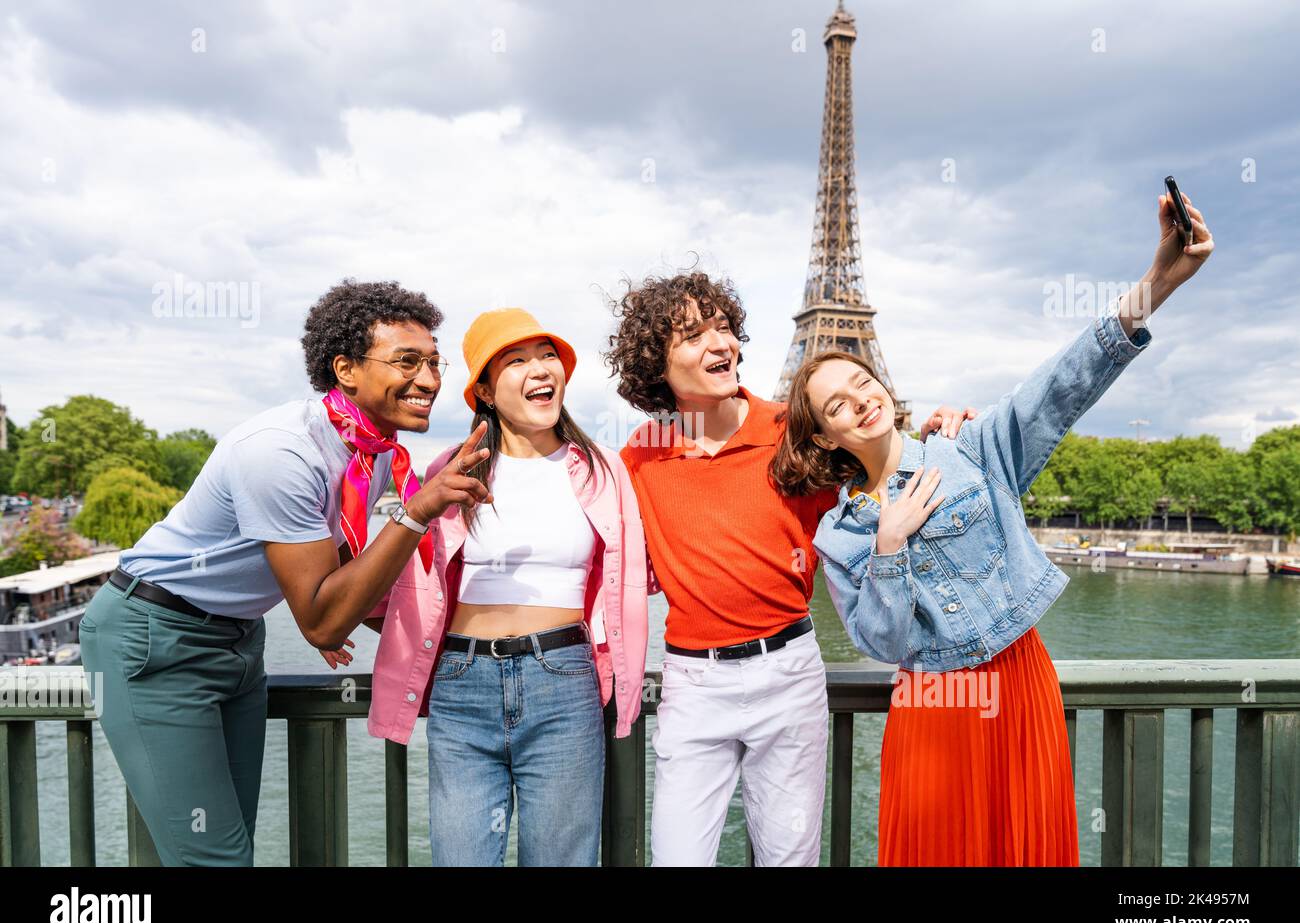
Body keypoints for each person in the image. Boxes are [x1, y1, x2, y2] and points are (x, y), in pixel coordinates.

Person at [771, 190, 1214, 865]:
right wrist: (889, 546)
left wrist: (1158, 282)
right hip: (934, 708)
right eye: (836, 403)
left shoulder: (973, 447)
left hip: (1019, 683)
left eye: (861, 382)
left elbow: (1064, 384)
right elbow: (886, 642)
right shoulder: (843, 534)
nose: (859, 400)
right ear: (825, 434)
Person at [78, 279, 491, 865]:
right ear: (345, 369)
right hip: (154, 641)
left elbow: (346, 576)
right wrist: (419, 510)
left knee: (230, 841)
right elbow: (323, 623)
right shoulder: (282, 451)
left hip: (238, 640)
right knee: (211, 858)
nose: (429, 380)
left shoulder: (367, 447)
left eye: (433, 362)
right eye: (407, 361)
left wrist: (460, 645)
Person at [604, 271, 973, 866]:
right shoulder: (639, 457)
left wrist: (932, 439)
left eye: (723, 327)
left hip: (789, 670)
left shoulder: (794, 433)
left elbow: (880, 472)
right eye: (693, 335)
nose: (719, 343)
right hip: (693, 684)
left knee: (789, 859)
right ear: (657, 368)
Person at [360, 307, 649, 866]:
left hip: (562, 680)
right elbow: (409, 578)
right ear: (486, 392)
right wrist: (333, 616)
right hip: (461, 680)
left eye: (548, 357)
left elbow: (635, 575)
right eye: (516, 360)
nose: (540, 369)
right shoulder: (451, 465)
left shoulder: (603, 470)